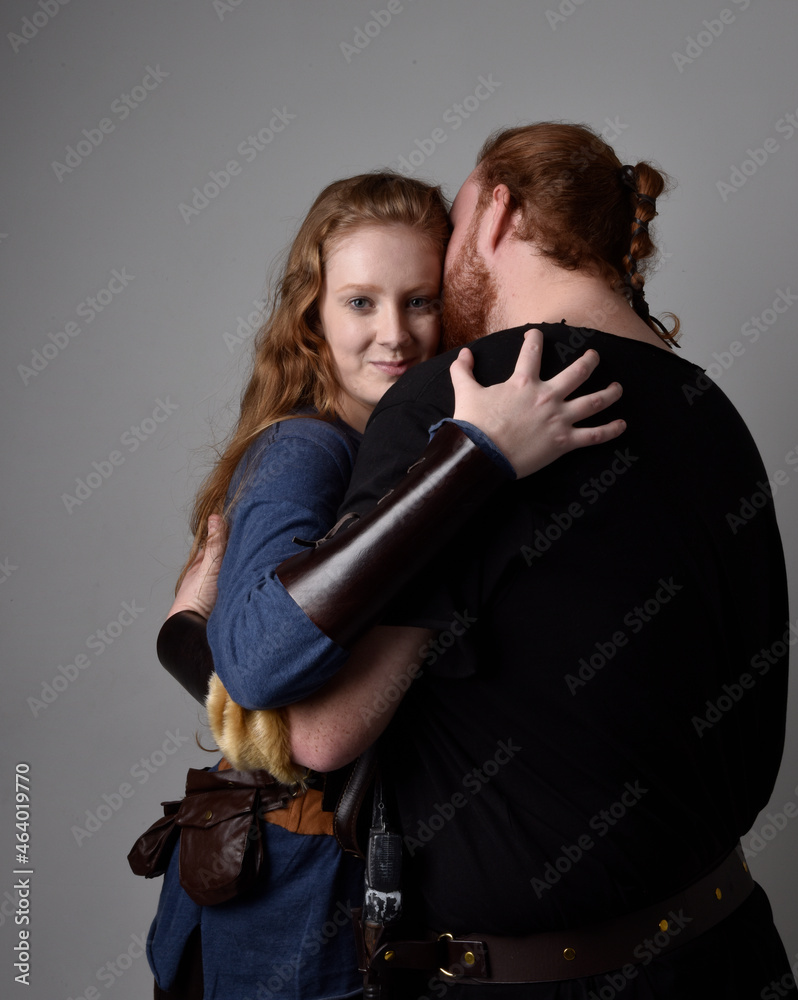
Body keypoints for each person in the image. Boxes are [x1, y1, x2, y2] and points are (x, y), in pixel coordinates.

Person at [243, 123, 798, 997]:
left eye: (455, 226)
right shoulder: (712, 407)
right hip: (732, 949)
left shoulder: (454, 399)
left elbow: (320, 731)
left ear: (496, 212)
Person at [145, 168, 626, 1000]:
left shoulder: (389, 442)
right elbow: (262, 664)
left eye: (419, 300)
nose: (395, 334)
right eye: (360, 302)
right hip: (286, 911)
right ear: (313, 318)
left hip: (363, 887)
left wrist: (182, 636)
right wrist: (479, 461)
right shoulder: (308, 448)